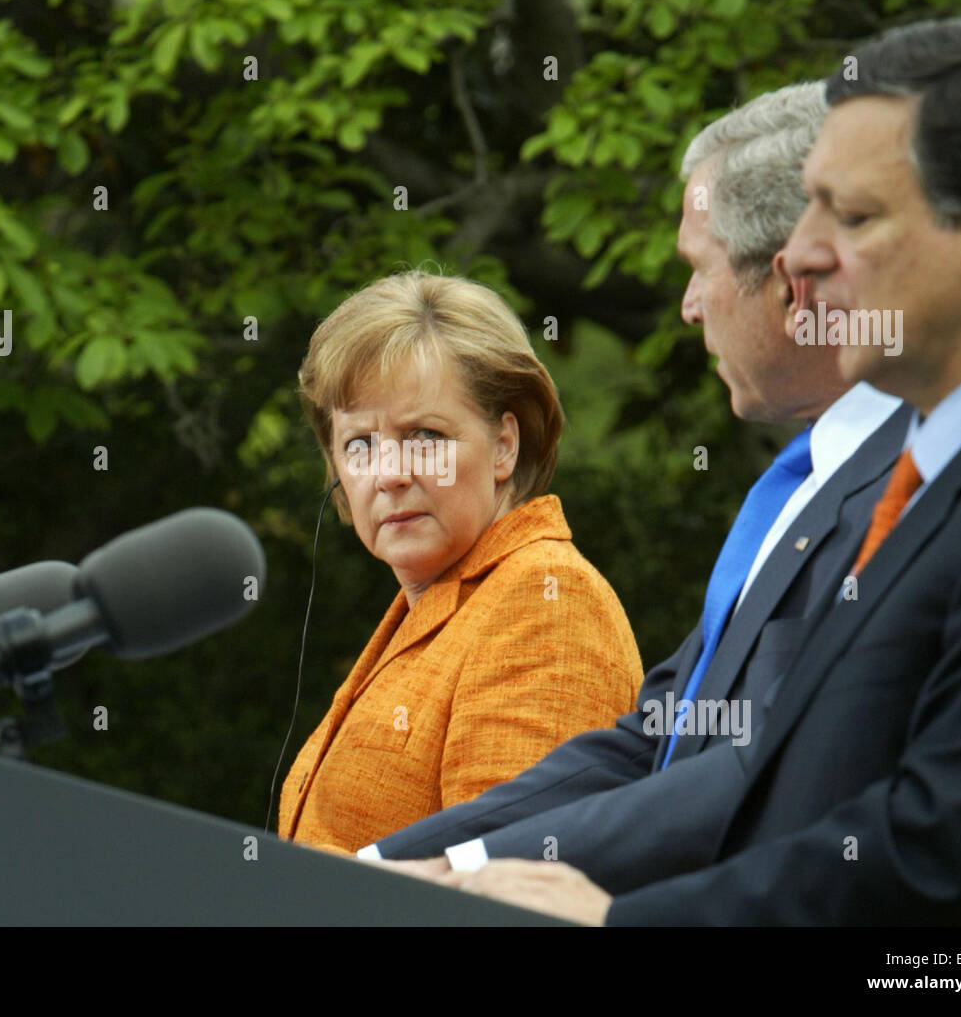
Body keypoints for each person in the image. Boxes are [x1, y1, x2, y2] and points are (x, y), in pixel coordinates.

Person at [416, 14, 961, 925]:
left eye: (855, 214)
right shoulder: (941, 473)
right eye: (811, 207)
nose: (801, 254)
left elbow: (949, 855)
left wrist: (614, 921)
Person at [358, 82, 908, 898]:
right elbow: (658, 737)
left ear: (794, 281)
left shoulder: (918, 483)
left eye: (698, 269)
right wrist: (395, 864)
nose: (687, 307)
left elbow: (777, 767)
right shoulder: (809, 479)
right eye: (358, 443)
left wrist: (472, 876)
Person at [278, 270, 644, 852]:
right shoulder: (433, 602)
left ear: (504, 445)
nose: (389, 473)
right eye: (359, 444)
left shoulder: (546, 601)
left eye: (424, 434)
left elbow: (505, 886)